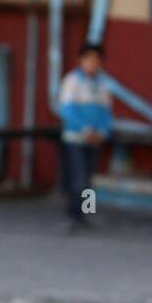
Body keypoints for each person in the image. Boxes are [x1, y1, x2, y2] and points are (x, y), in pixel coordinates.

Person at [57, 42, 112, 231]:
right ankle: (73, 215)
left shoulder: (102, 84)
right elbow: (67, 110)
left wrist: (102, 132)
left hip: (95, 140)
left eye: (96, 60)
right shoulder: (73, 81)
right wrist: (87, 130)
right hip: (76, 138)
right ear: (81, 60)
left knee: (89, 179)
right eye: (89, 59)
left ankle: (87, 214)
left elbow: (106, 113)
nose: (93, 63)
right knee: (78, 178)